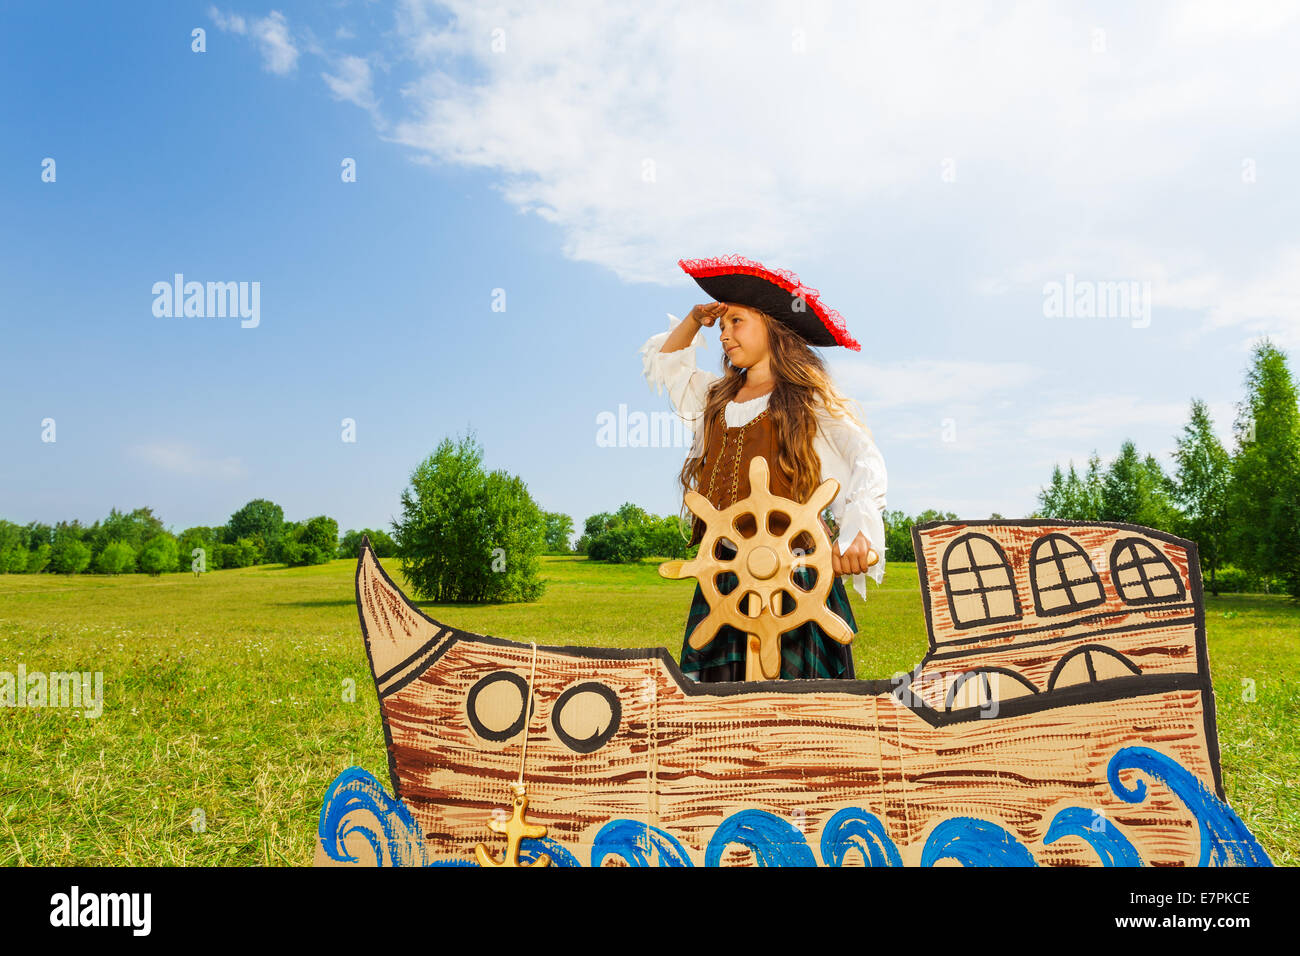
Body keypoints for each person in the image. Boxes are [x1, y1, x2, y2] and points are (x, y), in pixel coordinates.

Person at [639, 254, 888, 682]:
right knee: (721, 715)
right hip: (727, 580)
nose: (725, 335)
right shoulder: (714, 396)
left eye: (737, 322)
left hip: (795, 576)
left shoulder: (805, 399)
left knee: (796, 719)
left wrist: (858, 531)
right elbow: (668, 364)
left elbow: (864, 456)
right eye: (721, 327)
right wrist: (695, 319)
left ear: (773, 327)